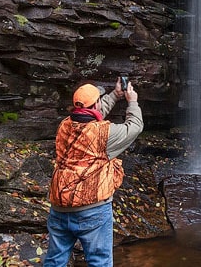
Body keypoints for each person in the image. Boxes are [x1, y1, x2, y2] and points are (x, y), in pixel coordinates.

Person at [44, 77, 143, 267]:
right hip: (92, 208)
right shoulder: (104, 134)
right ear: (96, 103)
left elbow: (92, 114)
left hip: (60, 206)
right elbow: (134, 127)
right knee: (99, 262)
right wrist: (132, 102)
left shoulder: (64, 125)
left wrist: (115, 95)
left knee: (55, 261)